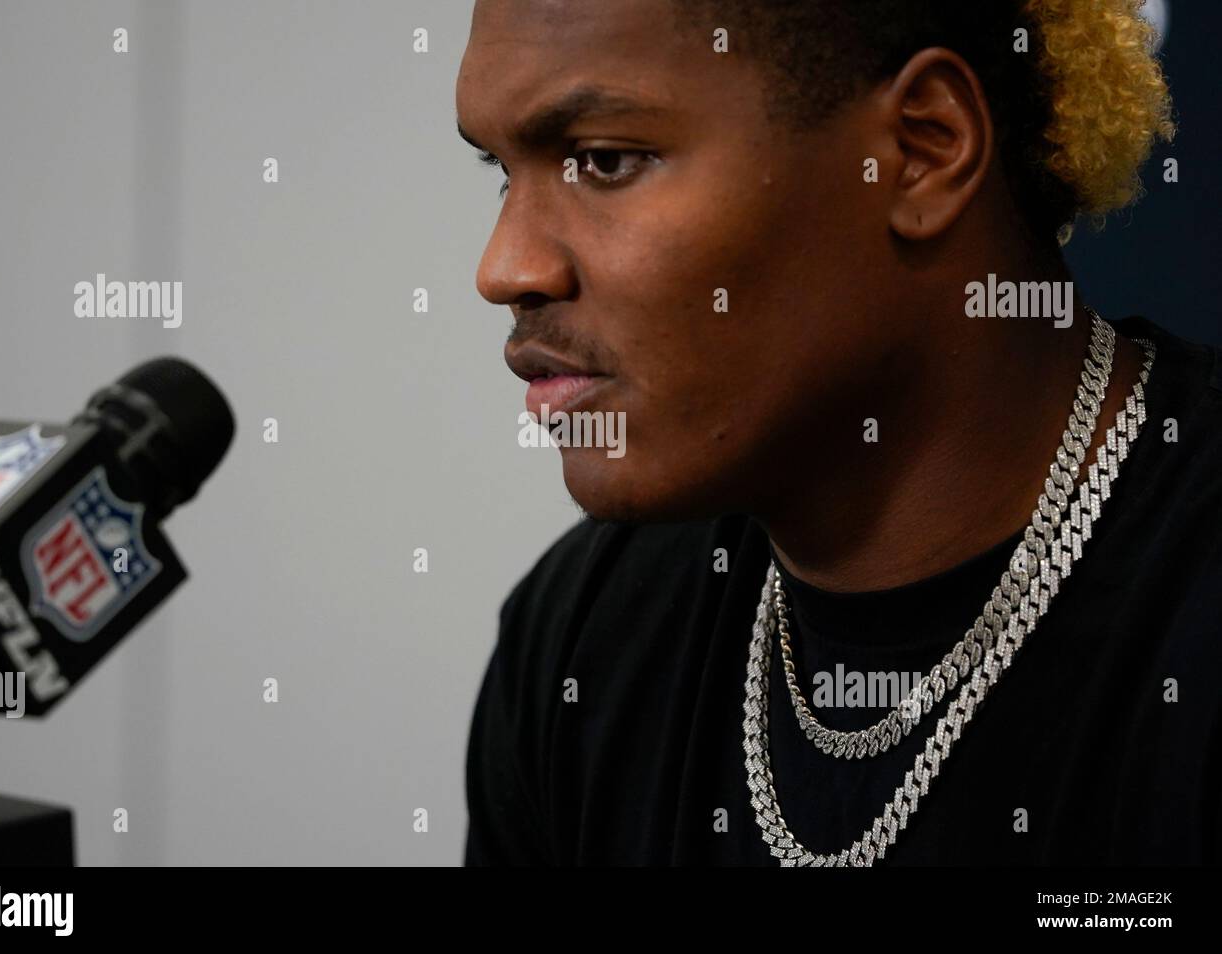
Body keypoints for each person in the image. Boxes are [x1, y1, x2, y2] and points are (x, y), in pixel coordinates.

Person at [455, 0, 1217, 865]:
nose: (505, 267)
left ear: (923, 151)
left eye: (604, 160)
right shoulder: (581, 646)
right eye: (500, 171)